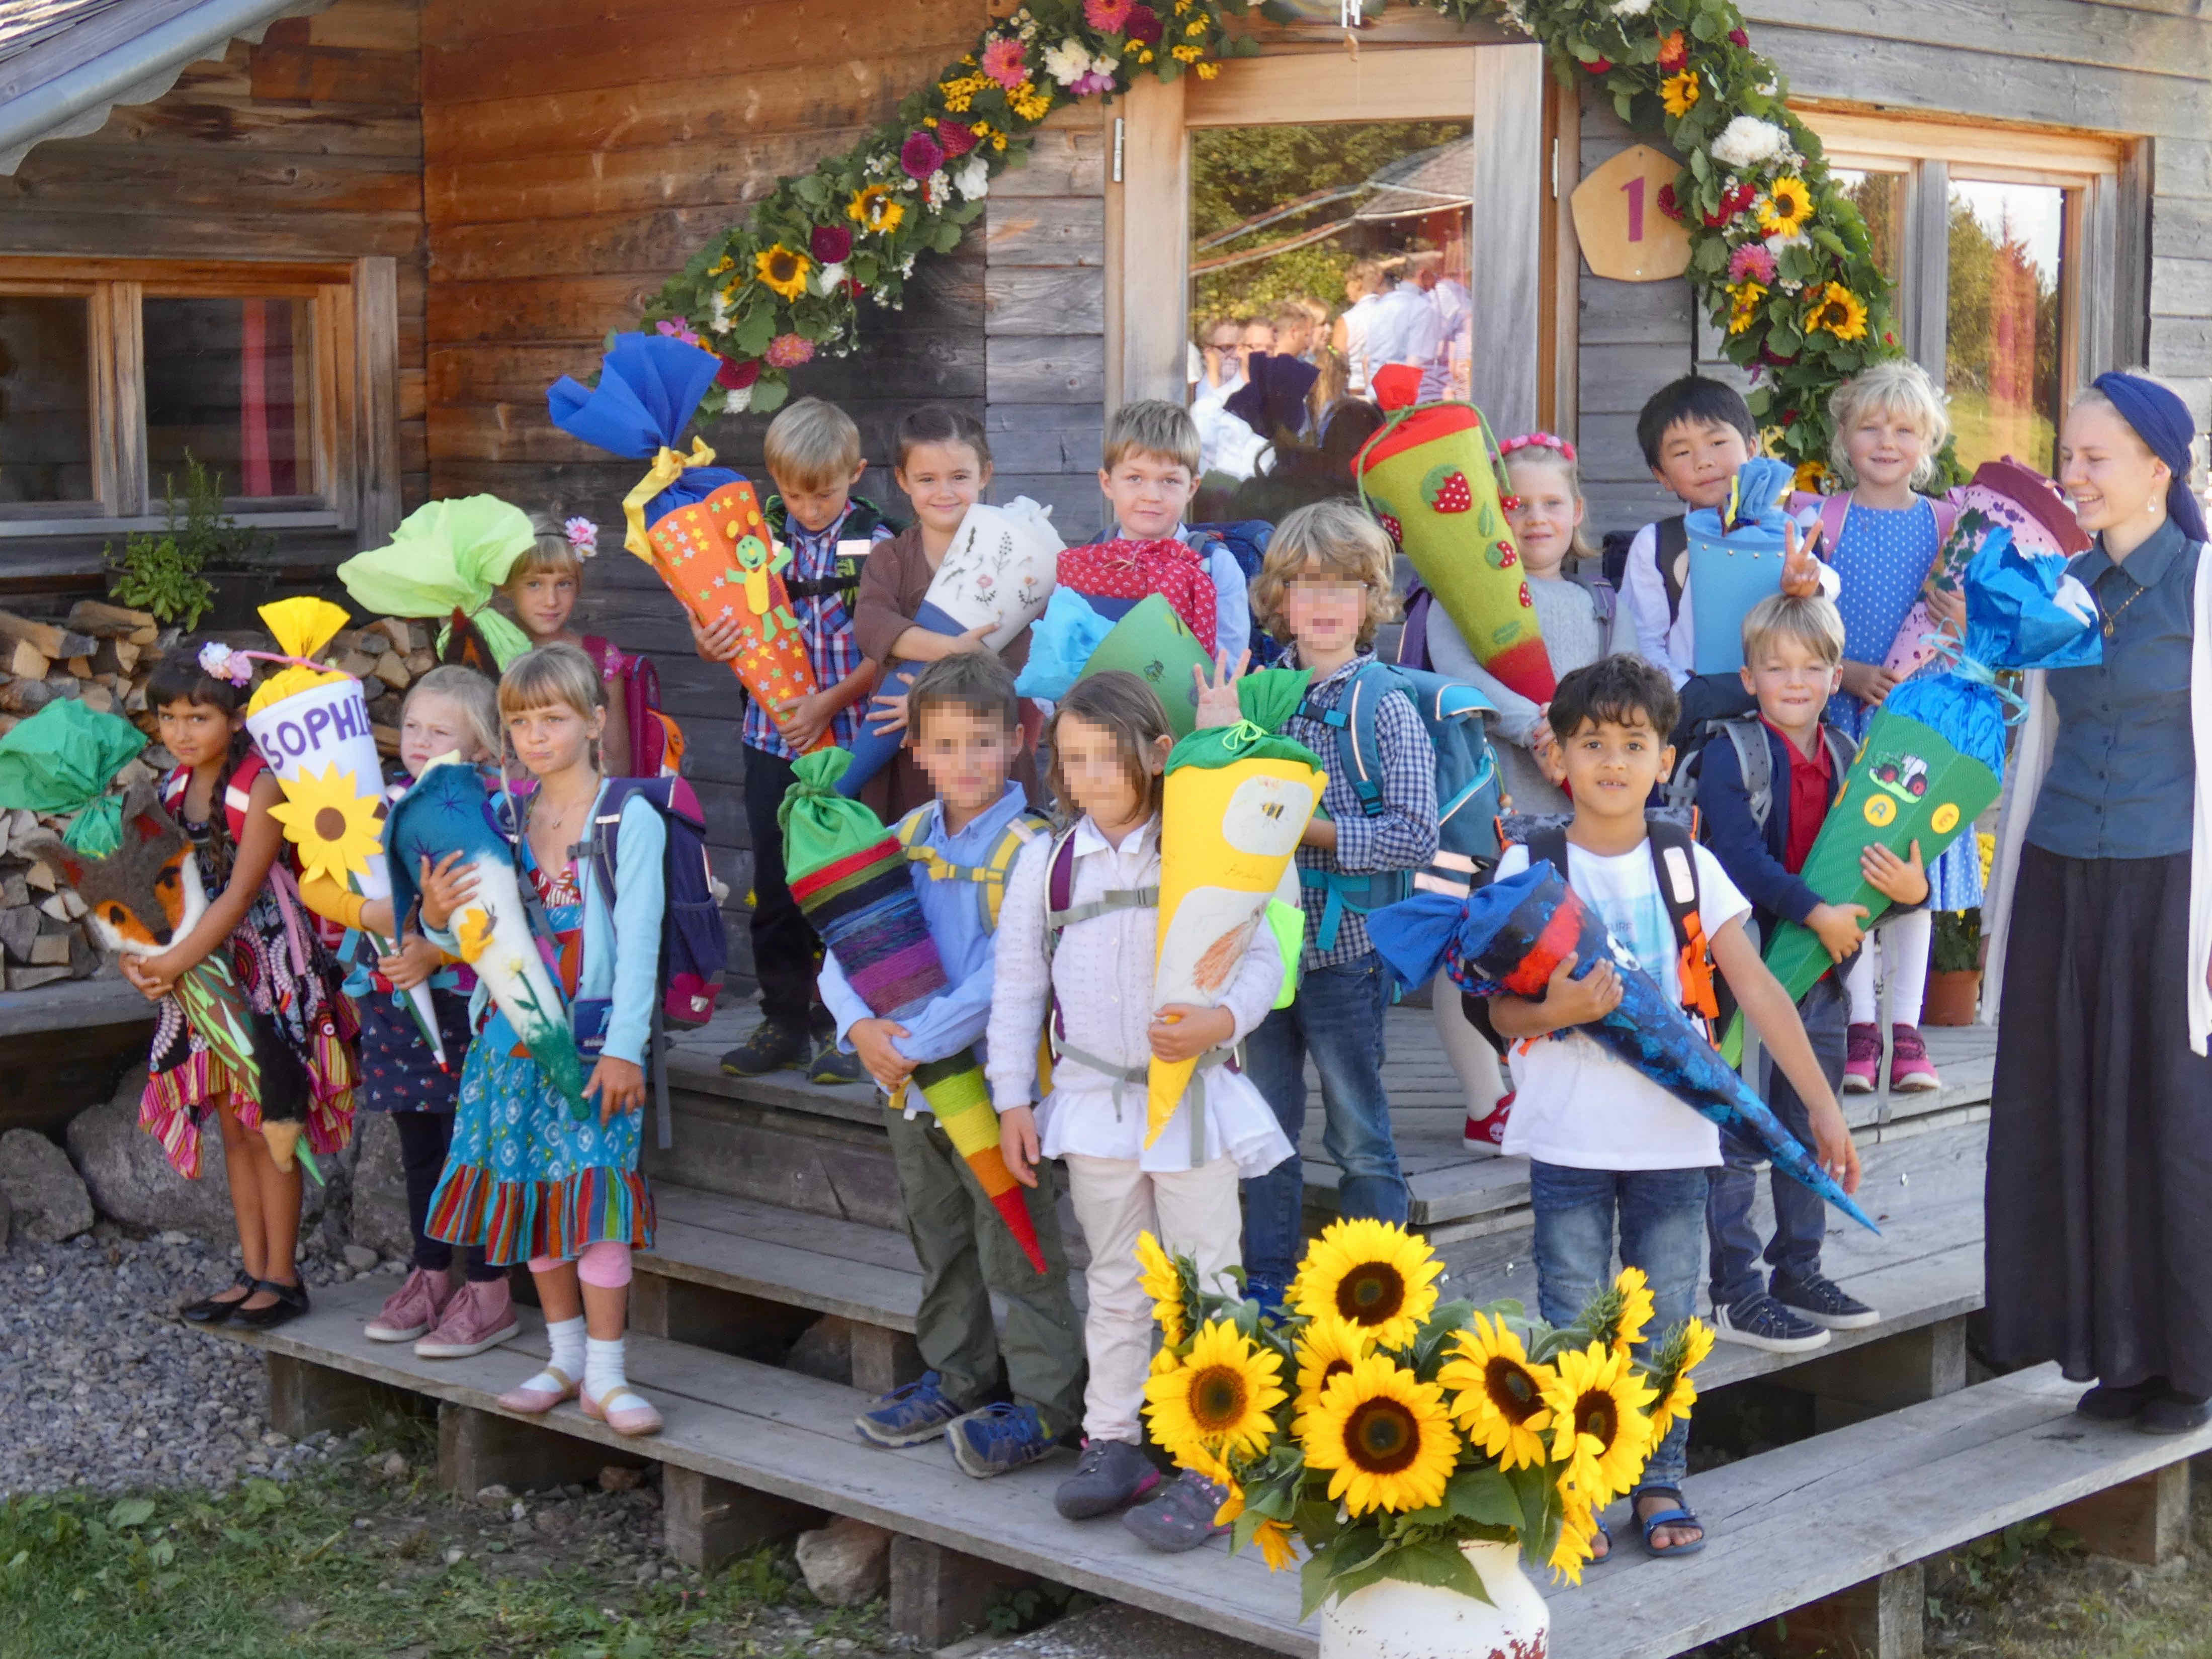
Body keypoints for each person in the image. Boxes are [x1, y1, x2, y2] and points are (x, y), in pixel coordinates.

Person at [1483, 653, 1859, 1557]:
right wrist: (1561, 1010)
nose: (1611, 761)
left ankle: (1656, 1479)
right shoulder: (1527, 859)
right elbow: (1494, 1005)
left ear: (1663, 760)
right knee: (1570, 1314)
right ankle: (1573, 1482)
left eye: (1633, 743)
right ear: (1557, 757)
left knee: (1665, 1323)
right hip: (1565, 1135)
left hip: (1675, 1140)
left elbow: (1759, 988)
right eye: (1591, 742)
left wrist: (1820, 1108)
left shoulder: (1685, 862)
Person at [985, 672, 1291, 1544]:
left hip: (1191, 1096)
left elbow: (1258, 954)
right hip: (1091, 1102)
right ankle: (1114, 1439)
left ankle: (1216, 1457)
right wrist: (1013, 1097)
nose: (1088, 775)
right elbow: (1017, 989)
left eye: (1105, 756)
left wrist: (1219, 1020)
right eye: (1071, 758)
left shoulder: (1197, 849)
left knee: (1207, 1278)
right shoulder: (1045, 866)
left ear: (1156, 754)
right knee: (1117, 1277)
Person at [1982, 372, 2212, 1436]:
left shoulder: (2206, 586)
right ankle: (2110, 1351)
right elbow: (2022, 733)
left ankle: (2185, 1361)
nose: (2069, 475)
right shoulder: (2057, 585)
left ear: (2160, 470)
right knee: (2071, 1103)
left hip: (2176, 883)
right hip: (2065, 870)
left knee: (2168, 1117)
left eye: (2093, 458)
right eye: (2065, 455)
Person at [822, 652, 1087, 1477]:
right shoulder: (900, 838)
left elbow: (1006, 979)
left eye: (981, 742)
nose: (965, 762)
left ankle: (1048, 1401)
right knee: (937, 1235)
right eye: (946, 745)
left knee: (1018, 1241)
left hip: (1000, 1091)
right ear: (918, 753)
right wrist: (859, 1025)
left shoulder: (1035, 848)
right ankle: (959, 1373)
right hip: (908, 1088)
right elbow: (843, 942)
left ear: (1015, 740)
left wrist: (912, 1040)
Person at [418, 643, 668, 1437]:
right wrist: (430, 912)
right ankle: (562, 1359)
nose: (535, 734)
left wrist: (627, 1047)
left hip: (593, 1045)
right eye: (520, 721)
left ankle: (607, 1373)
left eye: (553, 716)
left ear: (596, 720)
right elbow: (476, 934)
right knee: (532, 1199)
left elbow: (639, 942)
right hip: (510, 1042)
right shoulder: (502, 816)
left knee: (593, 1198)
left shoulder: (629, 816)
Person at [1698, 593, 1927, 1352]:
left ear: (1836, 676)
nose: (1793, 681)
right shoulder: (1728, 752)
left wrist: (1908, 890)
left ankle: (1798, 1266)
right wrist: (1812, 910)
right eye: (1775, 667)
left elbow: (1870, 862)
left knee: (1810, 1118)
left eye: (1810, 667)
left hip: (1822, 975)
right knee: (1736, 1130)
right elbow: (1736, 858)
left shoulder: (1843, 754)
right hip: (1741, 967)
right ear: (1748, 675)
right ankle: (1734, 1288)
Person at [1239, 500, 1435, 1309]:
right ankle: (1267, 1282)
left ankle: (1374, 1287)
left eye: (1344, 588)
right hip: (1259, 950)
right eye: (1307, 584)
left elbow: (1415, 833)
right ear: (1280, 596)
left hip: (1345, 949)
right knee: (1264, 1127)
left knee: (1357, 1128)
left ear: (1372, 602)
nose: (1323, 604)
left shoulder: (1381, 702)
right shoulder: (1257, 694)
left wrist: (1308, 829)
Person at [139, 644, 359, 1332]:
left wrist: (174, 964)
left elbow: (238, 896)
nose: (181, 730)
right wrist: (145, 957)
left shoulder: (257, 785)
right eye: (169, 716)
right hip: (204, 969)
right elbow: (165, 887)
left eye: (198, 715)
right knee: (234, 1124)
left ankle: (283, 1275)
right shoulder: (175, 788)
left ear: (234, 718)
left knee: (273, 1120)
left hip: (265, 968)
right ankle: (252, 1264)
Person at [301, 666, 518, 1358]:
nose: (422, 740)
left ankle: (489, 1286)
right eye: (414, 726)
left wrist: (436, 954)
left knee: (475, 1144)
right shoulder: (378, 801)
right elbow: (318, 877)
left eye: (442, 729)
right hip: (396, 1003)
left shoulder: (490, 812)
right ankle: (432, 1271)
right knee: (421, 1145)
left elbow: (500, 920)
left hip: (469, 1006)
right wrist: (378, 914)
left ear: (481, 744)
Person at [1420, 431, 1614, 1151]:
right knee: (1474, 943)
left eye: (1549, 503)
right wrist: (1537, 723)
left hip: (1571, 803)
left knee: (1557, 942)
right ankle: (1485, 1100)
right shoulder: (1463, 599)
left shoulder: (1596, 602)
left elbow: (1615, 681)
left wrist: (1580, 741)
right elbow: (1454, 671)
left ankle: (1550, 1090)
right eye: (1515, 505)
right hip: (1492, 799)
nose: (1534, 517)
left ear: (1575, 511)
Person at [697, 397, 891, 1084]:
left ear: (856, 474)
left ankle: (851, 1024)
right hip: (771, 739)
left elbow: (890, 649)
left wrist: (827, 704)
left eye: (825, 492)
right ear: (774, 482)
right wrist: (706, 638)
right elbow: (717, 618)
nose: (809, 508)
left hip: (852, 743)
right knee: (775, 883)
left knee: (850, 881)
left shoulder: (882, 541)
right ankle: (783, 1017)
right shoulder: (753, 535)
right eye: (793, 493)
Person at [1808, 362, 1973, 1095]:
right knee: (1851, 866)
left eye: (1904, 428)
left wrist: (1961, 617)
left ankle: (1907, 1032)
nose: (1885, 440)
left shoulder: (1947, 524)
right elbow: (1795, 619)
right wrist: (1842, 673)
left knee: (1912, 866)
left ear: (1927, 440)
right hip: (1844, 718)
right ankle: (1859, 1025)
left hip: (1921, 726)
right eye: (1870, 425)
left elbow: (1976, 634)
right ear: (1844, 434)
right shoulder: (1822, 519)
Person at [1619, 376, 1835, 754]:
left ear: (1752, 447)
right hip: (1690, 719)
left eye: (1718, 443)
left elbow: (1823, 584)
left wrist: (1804, 586)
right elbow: (1641, 640)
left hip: (1781, 711)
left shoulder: (1780, 532)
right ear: (1662, 475)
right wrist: (1689, 697)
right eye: (1682, 453)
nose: (1704, 461)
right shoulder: (1657, 544)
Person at [854, 405, 1046, 822]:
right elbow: (871, 625)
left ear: (985, 474)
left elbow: (1016, 663)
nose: (945, 492)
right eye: (927, 479)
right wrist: (952, 647)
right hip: (903, 757)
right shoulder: (891, 558)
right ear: (903, 481)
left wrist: (930, 704)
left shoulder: (1015, 566)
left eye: (959, 477)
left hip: (985, 756)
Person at [1094, 399, 1252, 664]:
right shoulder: (1088, 563)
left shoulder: (1215, 566)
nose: (1152, 496)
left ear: (1192, 487)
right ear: (1108, 483)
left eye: (1170, 480)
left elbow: (1228, 667)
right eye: (1135, 478)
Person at [500, 519, 655, 780]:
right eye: (534, 584)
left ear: (578, 586)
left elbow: (617, 764)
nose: (551, 601)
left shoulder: (600, 659)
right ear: (508, 586)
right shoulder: (490, 653)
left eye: (564, 584)